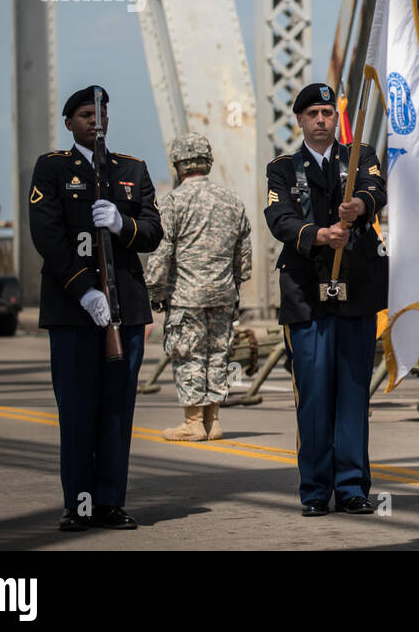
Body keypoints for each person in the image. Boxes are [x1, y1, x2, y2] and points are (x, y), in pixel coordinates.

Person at [28, 85, 163, 531]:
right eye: (86, 114)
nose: (95, 120)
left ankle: (109, 502)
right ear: (70, 122)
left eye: (101, 113)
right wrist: (85, 289)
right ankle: (80, 504)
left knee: (116, 410)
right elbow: (48, 235)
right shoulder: (51, 169)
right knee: (77, 410)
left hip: (124, 311)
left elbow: (152, 232)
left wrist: (123, 223)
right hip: (74, 310)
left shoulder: (131, 169)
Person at [264, 82, 388, 516]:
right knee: (314, 395)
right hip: (306, 293)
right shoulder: (282, 168)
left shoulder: (359, 156)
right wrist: (318, 235)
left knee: (354, 393)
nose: (321, 120)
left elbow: (377, 190)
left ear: (337, 119)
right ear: (299, 120)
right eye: (313, 113)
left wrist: (358, 207)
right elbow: (278, 218)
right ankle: (315, 489)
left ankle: (352, 487)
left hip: (356, 291)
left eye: (328, 113)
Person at [145, 133, 252, 443]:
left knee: (188, 355)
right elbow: (243, 257)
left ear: (178, 164)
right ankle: (213, 420)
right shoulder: (231, 200)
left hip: (186, 297)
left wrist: (154, 293)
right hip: (223, 294)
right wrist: (233, 286)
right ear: (208, 161)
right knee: (218, 355)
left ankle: (192, 422)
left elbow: (161, 254)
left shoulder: (172, 202)